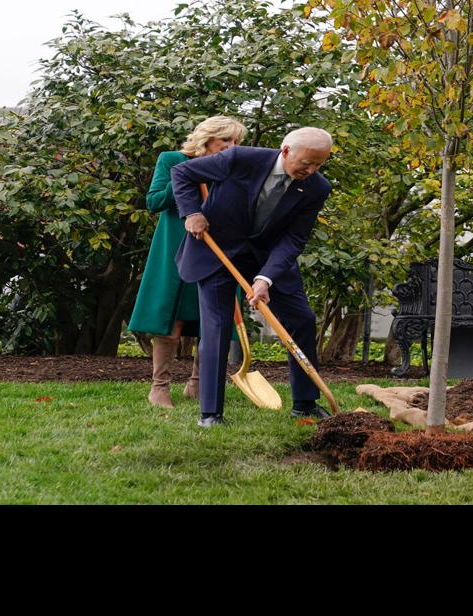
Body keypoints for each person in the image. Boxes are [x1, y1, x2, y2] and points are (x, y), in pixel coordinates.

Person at [171, 126, 334, 427]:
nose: (311, 170)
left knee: (301, 319)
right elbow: (183, 173)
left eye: (319, 165)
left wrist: (265, 279)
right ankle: (211, 414)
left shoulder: (316, 188)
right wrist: (191, 212)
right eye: (306, 163)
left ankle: (305, 403)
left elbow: (293, 239)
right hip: (218, 251)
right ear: (285, 151)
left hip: (268, 256)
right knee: (217, 328)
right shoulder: (239, 159)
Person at [129, 115, 245, 407]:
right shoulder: (171, 159)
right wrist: (188, 171)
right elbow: (155, 202)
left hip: (217, 247)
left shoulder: (231, 167)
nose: (232, 147)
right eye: (226, 141)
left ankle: (197, 384)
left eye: (236, 142)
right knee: (173, 316)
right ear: (207, 140)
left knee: (213, 317)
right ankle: (159, 387)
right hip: (175, 245)